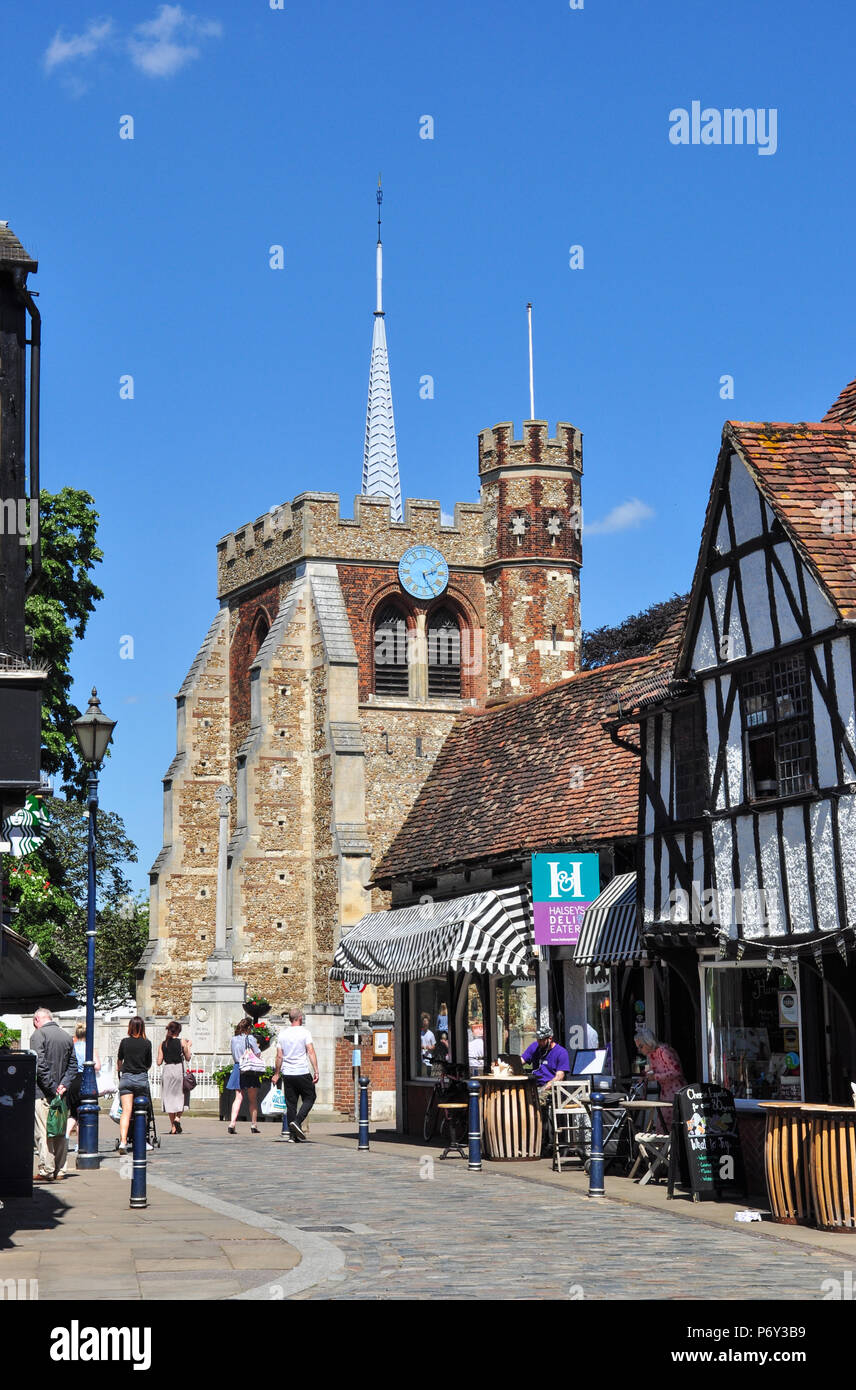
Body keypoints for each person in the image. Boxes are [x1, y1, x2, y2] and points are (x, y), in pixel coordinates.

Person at [30, 1007, 77, 1183]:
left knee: (43, 1132)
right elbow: (73, 1065)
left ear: (37, 1020)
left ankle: (47, 1170)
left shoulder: (38, 1035)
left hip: (43, 1093)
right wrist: (63, 1086)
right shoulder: (66, 1036)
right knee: (59, 1132)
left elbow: (39, 1066)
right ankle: (61, 1169)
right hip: (62, 1094)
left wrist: (52, 1087)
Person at [271, 1008, 319, 1143]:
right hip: (302, 1072)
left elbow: (279, 1056)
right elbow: (310, 1051)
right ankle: (297, 1122)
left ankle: (293, 1136)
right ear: (300, 1018)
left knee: (291, 1104)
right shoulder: (305, 1033)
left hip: (288, 1074)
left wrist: (276, 1073)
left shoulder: (283, 1034)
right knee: (310, 1097)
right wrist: (316, 1071)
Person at [635, 1026, 686, 1129]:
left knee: (671, 1125)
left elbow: (677, 1072)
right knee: (661, 1125)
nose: (639, 1050)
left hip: (676, 1092)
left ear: (648, 1042)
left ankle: (669, 1145)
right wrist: (645, 1075)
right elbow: (658, 1069)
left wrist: (655, 1077)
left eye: (641, 1046)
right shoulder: (652, 1054)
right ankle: (663, 1145)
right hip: (664, 1093)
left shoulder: (664, 1051)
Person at [117, 1016, 152, 1154]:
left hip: (126, 1078)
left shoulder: (124, 1042)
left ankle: (123, 1141)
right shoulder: (146, 1043)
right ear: (142, 1027)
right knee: (141, 1111)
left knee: (126, 1111)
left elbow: (120, 1060)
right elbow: (148, 1064)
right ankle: (141, 1140)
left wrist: (121, 1072)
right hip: (140, 1079)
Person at [225, 1018, 264, 1134]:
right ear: (249, 1028)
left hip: (238, 1067)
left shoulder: (233, 1039)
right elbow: (257, 1053)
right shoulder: (251, 1038)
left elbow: (233, 1054)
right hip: (250, 1068)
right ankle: (253, 1125)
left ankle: (232, 1123)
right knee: (252, 1099)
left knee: (238, 1097)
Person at [66, 1023, 100, 1153]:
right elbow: (97, 1067)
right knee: (83, 1113)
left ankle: (66, 1136)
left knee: (73, 1113)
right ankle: (80, 1143)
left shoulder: (72, 1048)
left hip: (73, 1080)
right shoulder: (90, 1048)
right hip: (85, 1080)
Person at [158, 1020, 192, 1135]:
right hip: (178, 1070)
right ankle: (177, 1119)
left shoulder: (163, 1044)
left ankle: (173, 1127)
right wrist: (188, 1046)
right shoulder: (181, 1042)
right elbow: (188, 1057)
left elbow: (158, 1061)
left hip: (167, 1070)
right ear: (178, 1031)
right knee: (182, 1095)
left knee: (169, 1098)